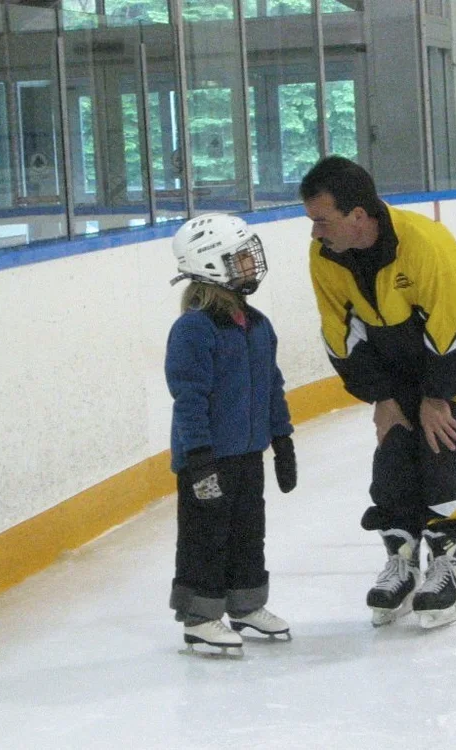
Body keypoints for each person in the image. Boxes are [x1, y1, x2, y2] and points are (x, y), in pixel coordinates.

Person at [299, 156, 456, 629]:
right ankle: (403, 558)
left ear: (358, 217)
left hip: (452, 353)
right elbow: (340, 334)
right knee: (393, 452)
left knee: (442, 446)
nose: (314, 234)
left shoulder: (425, 245)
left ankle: (448, 559)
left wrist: (437, 396)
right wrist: (381, 398)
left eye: (322, 221)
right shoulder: (326, 255)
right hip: (389, 356)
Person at [165, 212, 298, 655]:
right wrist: (199, 460)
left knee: (247, 531)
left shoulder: (257, 324)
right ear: (212, 265)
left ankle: (244, 603)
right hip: (209, 457)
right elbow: (189, 399)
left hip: (246, 453)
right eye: (240, 258)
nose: (249, 265)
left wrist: (282, 442)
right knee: (206, 534)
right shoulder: (193, 330)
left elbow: (271, 387)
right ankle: (201, 615)